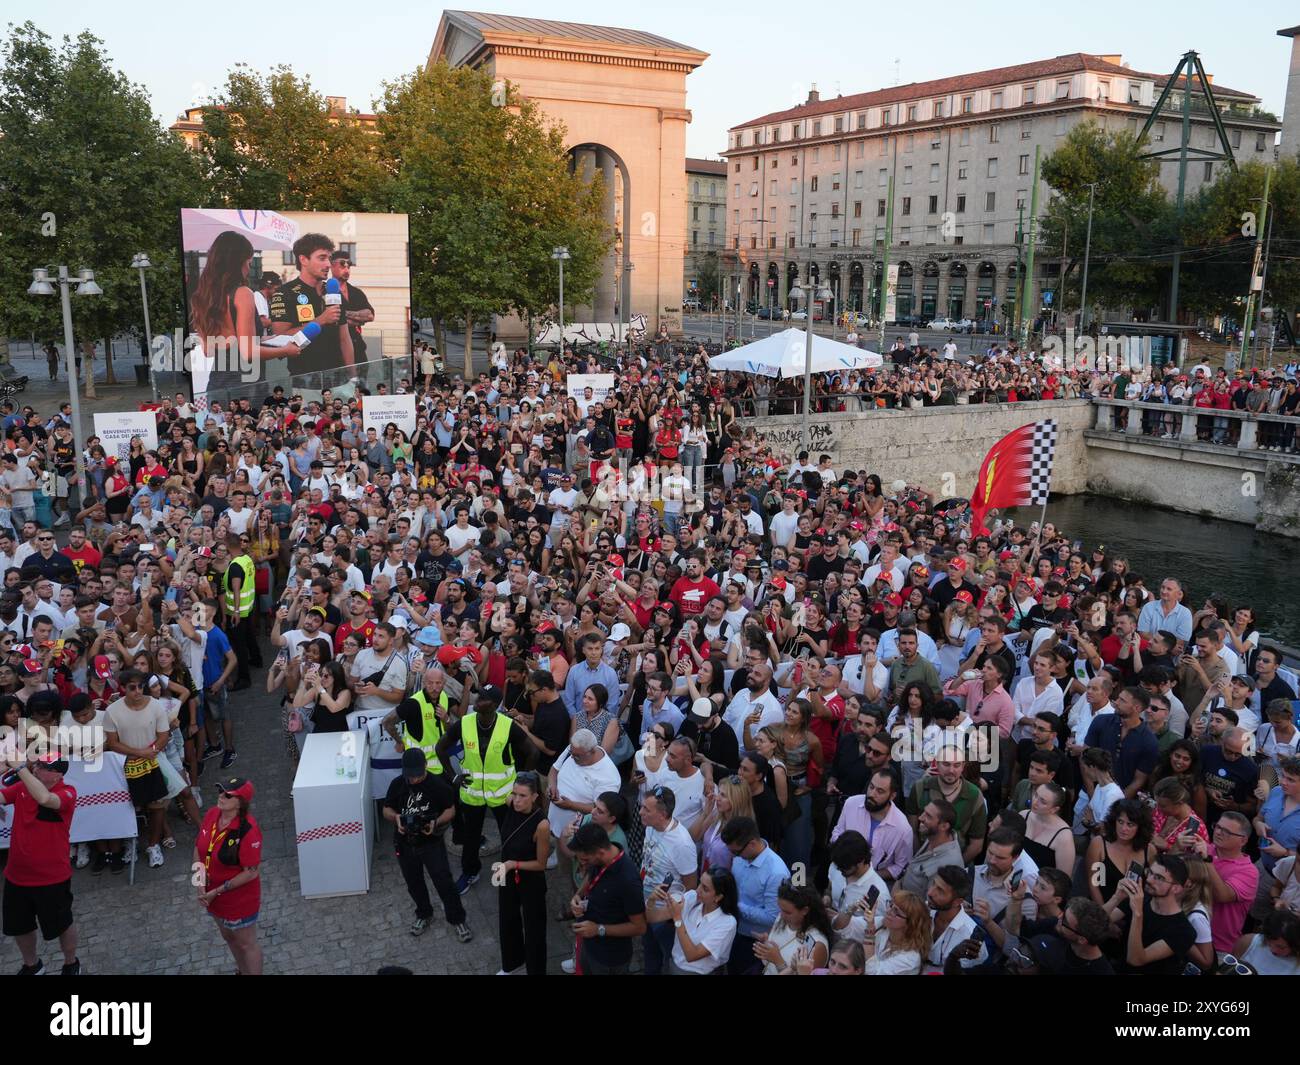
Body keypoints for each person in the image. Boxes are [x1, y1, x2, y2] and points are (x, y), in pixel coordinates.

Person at [435, 691, 528, 894]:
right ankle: (470, 872)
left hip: (503, 796)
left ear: (494, 704)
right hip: (472, 793)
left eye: (483, 698)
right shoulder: (465, 723)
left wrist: (520, 785)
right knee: (470, 837)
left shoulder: (508, 725)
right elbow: (440, 748)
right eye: (479, 697)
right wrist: (452, 777)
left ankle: (505, 873)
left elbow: (532, 752)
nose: (478, 701)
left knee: (509, 837)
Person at [1, 754, 80, 976]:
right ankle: (32, 965)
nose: (35, 768)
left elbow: (45, 799)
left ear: (57, 774)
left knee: (63, 924)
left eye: (42, 767)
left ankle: (71, 964)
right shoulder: (22, 787)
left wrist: (20, 769)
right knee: (19, 926)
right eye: (35, 764)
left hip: (51, 876)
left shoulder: (67, 792)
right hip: (17, 874)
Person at [382, 748, 471, 942]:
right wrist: (396, 818)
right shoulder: (397, 784)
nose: (413, 780)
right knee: (414, 883)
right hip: (404, 844)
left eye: (417, 775)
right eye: (410, 775)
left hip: (431, 843)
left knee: (444, 883)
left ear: (425, 766)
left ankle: (457, 919)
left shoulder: (438, 785)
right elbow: (386, 809)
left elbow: (451, 810)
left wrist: (435, 822)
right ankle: (423, 914)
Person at [194, 776, 264, 975]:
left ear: (240, 803)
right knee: (229, 937)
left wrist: (216, 891)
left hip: (238, 900)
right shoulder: (211, 814)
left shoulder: (247, 830)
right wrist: (199, 879)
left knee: (246, 944)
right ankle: (242, 971)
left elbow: (251, 872)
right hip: (213, 897)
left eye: (228, 795)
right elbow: (198, 847)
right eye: (220, 791)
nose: (221, 797)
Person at [566, 823, 648, 975]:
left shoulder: (627, 881)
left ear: (601, 852)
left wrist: (598, 929)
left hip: (609, 959)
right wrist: (578, 895)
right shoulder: (601, 858)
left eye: (585, 859)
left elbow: (640, 927)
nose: (582, 863)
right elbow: (592, 875)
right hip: (589, 946)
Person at [638, 784, 699, 975]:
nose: (640, 812)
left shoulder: (682, 844)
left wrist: (673, 918)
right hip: (647, 906)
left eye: (646, 809)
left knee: (667, 959)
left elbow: (691, 887)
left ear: (662, 815)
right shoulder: (651, 827)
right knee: (649, 954)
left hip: (665, 918)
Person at [495, 772, 550, 975]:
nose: (517, 800)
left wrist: (512, 864)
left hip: (529, 880)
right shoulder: (510, 803)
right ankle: (510, 964)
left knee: (534, 928)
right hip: (506, 872)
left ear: (535, 796)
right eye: (515, 794)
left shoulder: (542, 825)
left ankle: (536, 971)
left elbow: (541, 864)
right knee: (507, 920)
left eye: (523, 796)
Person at [1104, 853, 1196, 975]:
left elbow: (1136, 960)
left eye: (1158, 877)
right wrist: (1116, 897)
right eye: (1150, 872)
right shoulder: (1143, 898)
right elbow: (1094, 922)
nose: (1149, 880)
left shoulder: (1184, 931)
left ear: (1176, 888)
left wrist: (1137, 914)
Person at [722, 815, 790, 973]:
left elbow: (773, 917)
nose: (734, 856)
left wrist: (734, 905)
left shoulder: (776, 873)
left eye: (736, 852)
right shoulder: (741, 856)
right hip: (733, 931)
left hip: (754, 942)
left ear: (751, 844)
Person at [665, 868, 739, 975]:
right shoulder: (692, 897)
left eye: (705, 889)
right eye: (700, 883)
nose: (698, 890)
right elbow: (654, 917)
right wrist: (652, 901)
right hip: (674, 965)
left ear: (718, 897)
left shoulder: (727, 923)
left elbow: (692, 955)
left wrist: (677, 918)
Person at [863, 889, 931, 975]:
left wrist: (869, 929)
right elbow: (850, 927)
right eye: (891, 905)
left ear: (910, 924)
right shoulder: (885, 929)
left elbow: (872, 972)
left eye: (896, 911)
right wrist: (852, 908)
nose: (888, 911)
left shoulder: (911, 958)